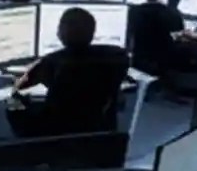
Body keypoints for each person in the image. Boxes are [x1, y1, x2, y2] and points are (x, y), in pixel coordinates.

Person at [10, 7, 130, 136]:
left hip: (53, 133)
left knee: (12, 101)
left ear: (61, 33)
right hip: (98, 132)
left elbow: (19, 86)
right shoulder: (117, 56)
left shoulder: (52, 61)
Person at [128, 0, 190, 76]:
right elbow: (181, 40)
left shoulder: (133, 12)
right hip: (166, 69)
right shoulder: (173, 14)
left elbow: (130, 40)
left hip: (139, 66)